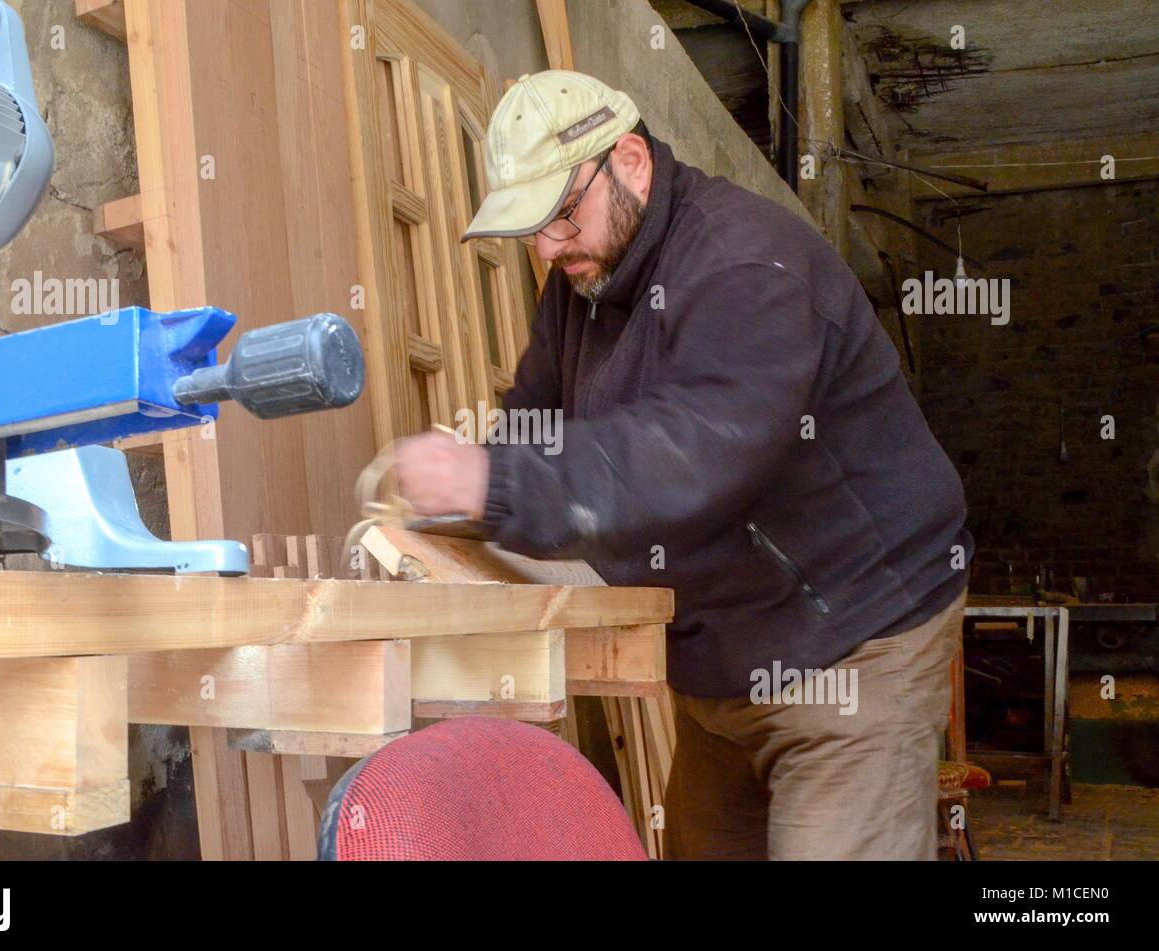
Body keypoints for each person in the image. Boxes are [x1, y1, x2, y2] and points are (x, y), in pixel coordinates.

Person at [394, 70, 972, 860]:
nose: (547, 247)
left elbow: (691, 453)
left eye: (561, 215)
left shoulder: (747, 265)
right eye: (528, 227)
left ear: (629, 160)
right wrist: (464, 496)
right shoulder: (583, 280)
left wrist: (498, 484)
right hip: (722, 661)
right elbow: (535, 417)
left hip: (854, 637)